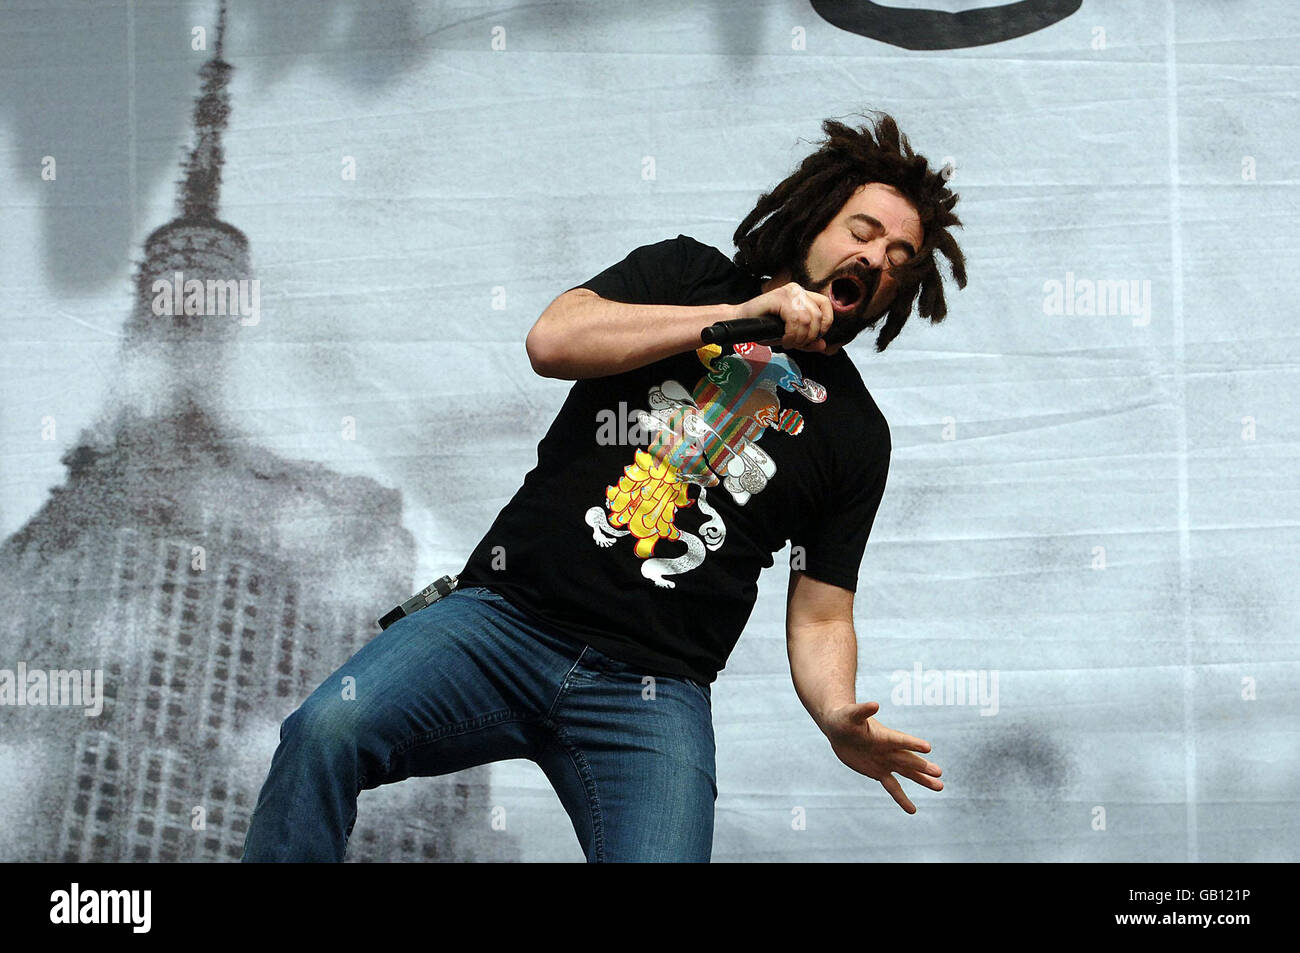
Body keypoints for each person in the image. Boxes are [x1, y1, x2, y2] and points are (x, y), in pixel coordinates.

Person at [241, 110, 968, 863]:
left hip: (652, 692)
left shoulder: (855, 433)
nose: (875, 255)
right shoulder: (687, 276)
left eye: (899, 255)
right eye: (862, 229)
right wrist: (742, 318)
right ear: (818, 220)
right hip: (504, 621)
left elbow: (820, 616)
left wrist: (837, 711)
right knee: (326, 729)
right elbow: (553, 340)